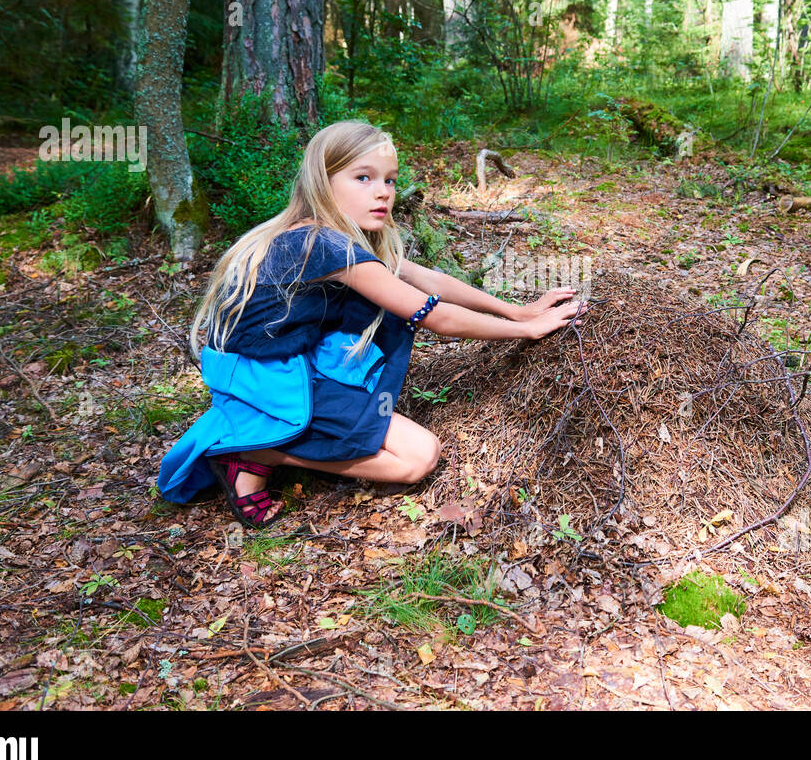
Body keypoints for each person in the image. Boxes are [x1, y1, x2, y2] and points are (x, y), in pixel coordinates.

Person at [156, 120, 588, 527]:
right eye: (363, 178)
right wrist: (526, 331)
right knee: (417, 458)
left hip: (274, 359)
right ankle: (261, 452)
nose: (382, 192)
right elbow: (434, 315)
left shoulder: (333, 237)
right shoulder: (322, 245)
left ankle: (269, 434)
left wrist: (516, 310)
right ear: (322, 182)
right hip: (261, 374)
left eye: (390, 180)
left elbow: (429, 280)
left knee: (385, 324)